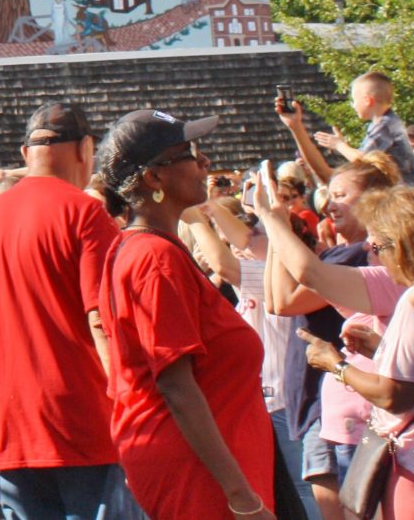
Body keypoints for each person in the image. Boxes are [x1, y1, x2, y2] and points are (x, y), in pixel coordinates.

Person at [96, 109, 275, 520]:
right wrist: (241, 498)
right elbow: (176, 386)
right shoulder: (153, 258)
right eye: (190, 152)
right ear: (154, 178)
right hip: (202, 475)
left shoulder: (148, 248)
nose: (205, 163)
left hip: (206, 464)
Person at [0, 100, 122, 517]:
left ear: (26, 155)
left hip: (10, 421)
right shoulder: (86, 212)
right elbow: (100, 320)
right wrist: (128, 400)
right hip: (82, 420)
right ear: (86, 149)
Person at [290, 185, 414, 517]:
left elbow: (395, 395)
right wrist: (381, 349)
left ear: (402, 244)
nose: (371, 249)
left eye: (378, 244)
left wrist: (334, 363)